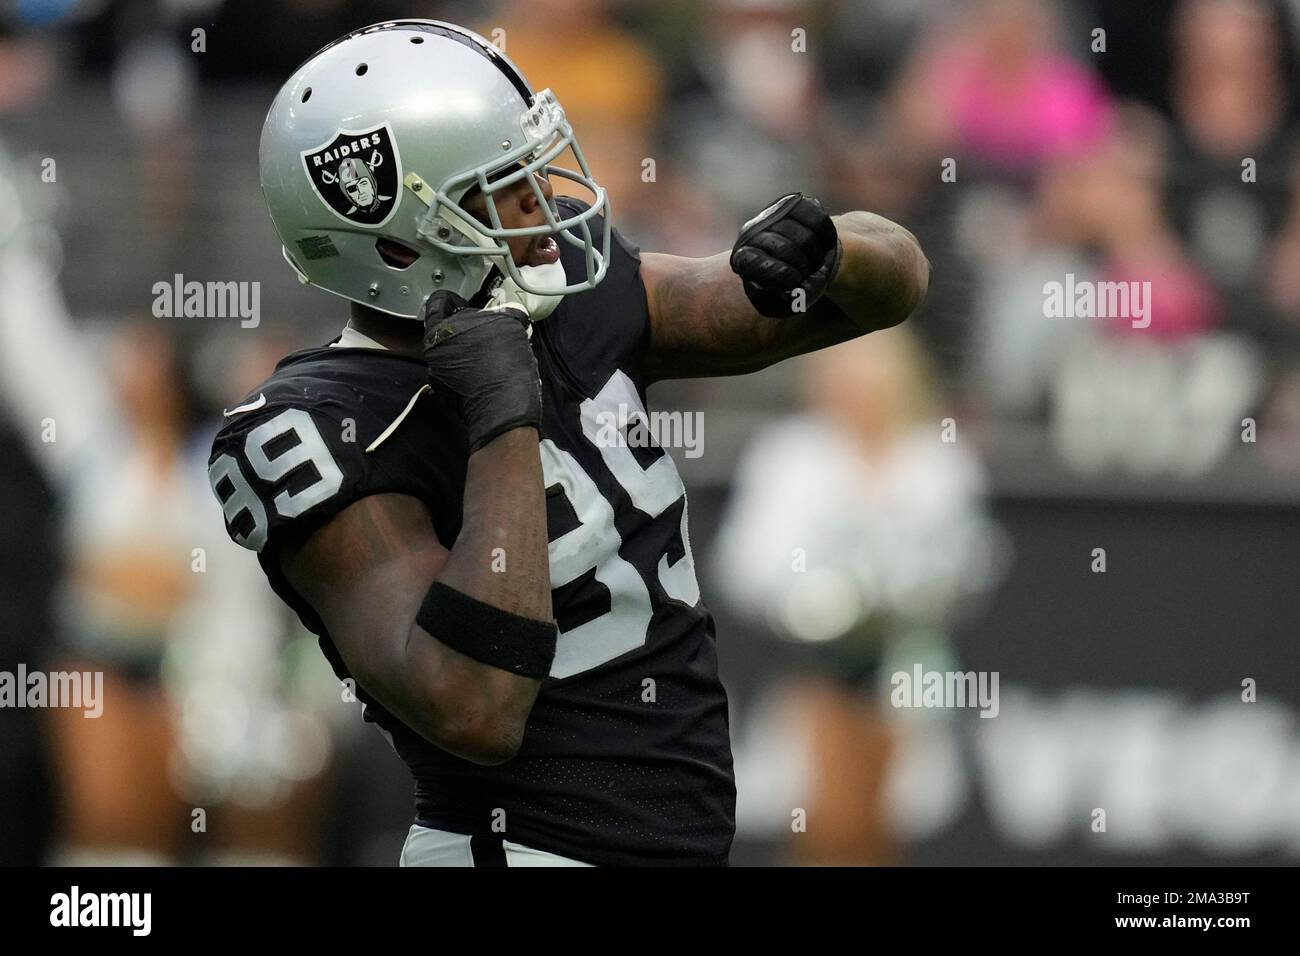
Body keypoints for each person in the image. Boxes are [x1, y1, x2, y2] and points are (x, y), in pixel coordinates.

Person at [209, 19, 929, 867]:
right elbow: (474, 707)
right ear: (400, 240)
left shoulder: (566, 306)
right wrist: (503, 422)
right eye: (504, 187)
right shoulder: (317, 426)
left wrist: (832, 253)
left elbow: (892, 287)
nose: (544, 207)